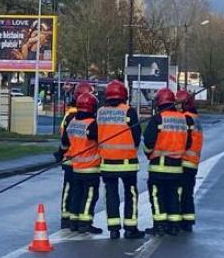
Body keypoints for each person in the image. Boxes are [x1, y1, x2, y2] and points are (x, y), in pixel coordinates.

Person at [97, 80, 144, 239]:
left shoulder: (101, 112)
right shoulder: (129, 111)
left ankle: (113, 229)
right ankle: (130, 228)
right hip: (127, 162)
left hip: (107, 162)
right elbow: (137, 135)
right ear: (124, 96)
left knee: (111, 195)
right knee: (131, 194)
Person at [142, 87, 187, 236]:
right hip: (177, 167)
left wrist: (149, 154)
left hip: (159, 166)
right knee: (173, 196)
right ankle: (174, 226)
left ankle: (159, 226)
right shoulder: (182, 119)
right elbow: (188, 142)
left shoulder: (158, 118)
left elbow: (148, 141)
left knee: (157, 197)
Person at [60, 91, 103, 233]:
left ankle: (73, 222)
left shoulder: (72, 123)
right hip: (90, 167)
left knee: (76, 195)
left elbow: (65, 143)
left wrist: (60, 155)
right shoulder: (92, 124)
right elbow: (101, 141)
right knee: (90, 195)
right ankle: (85, 222)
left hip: (76, 167)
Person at [54, 82, 94, 229]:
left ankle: (70, 219)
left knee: (71, 189)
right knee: (76, 190)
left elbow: (64, 137)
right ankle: (71, 219)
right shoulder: (77, 115)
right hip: (76, 158)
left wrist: (60, 153)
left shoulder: (71, 114)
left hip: (71, 157)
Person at [176, 89, 203, 232]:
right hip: (193, 161)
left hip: (184, 160)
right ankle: (188, 220)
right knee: (188, 193)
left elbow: (181, 140)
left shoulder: (185, 118)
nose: (176, 106)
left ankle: (181, 221)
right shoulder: (195, 118)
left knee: (181, 192)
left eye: (178, 104)